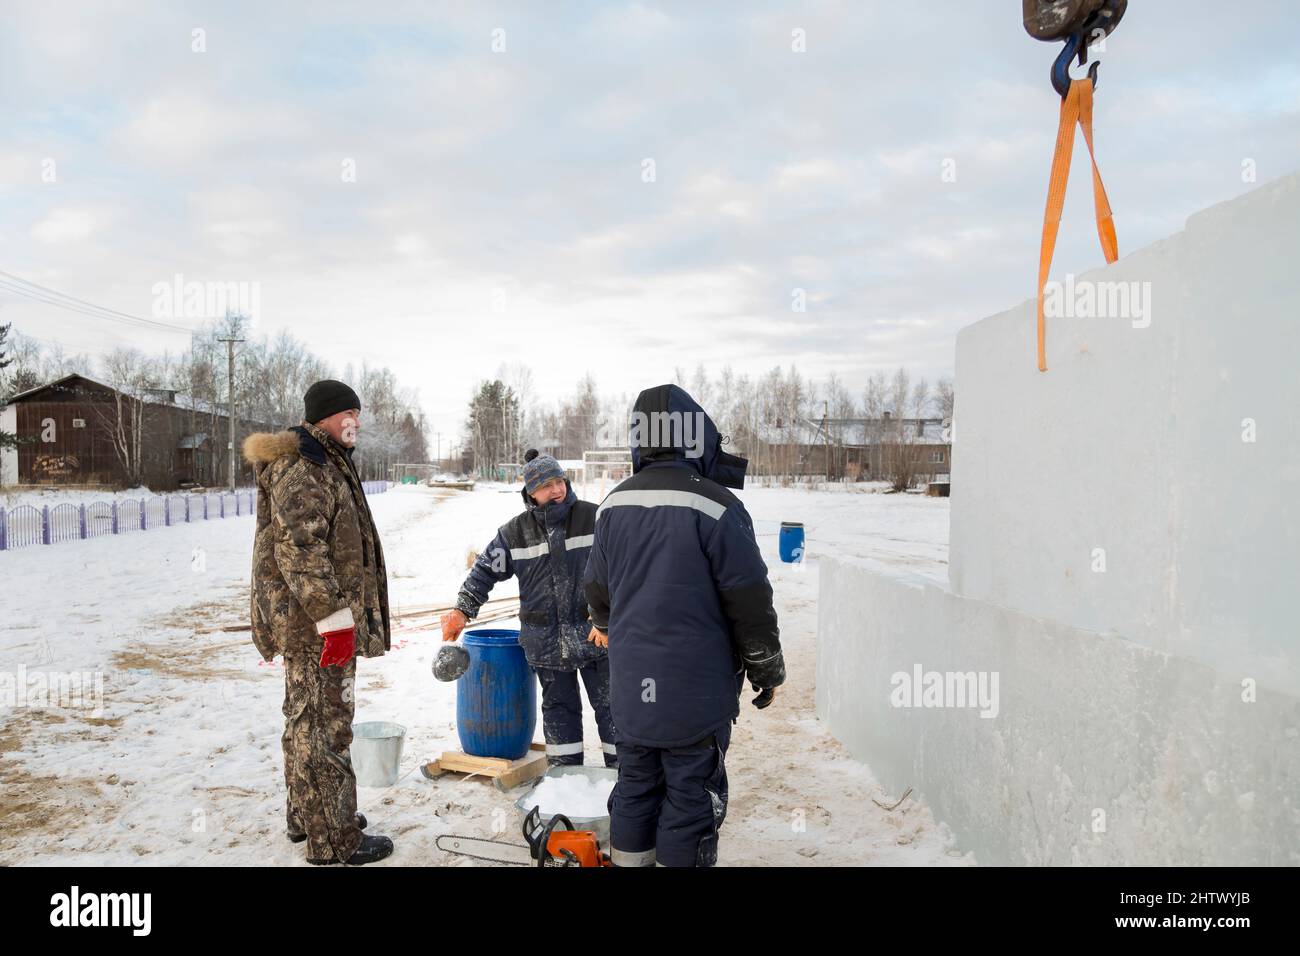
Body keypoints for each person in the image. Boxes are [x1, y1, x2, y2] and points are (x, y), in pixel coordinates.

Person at [583, 384, 785, 867]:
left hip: (634, 689)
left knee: (635, 787)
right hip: (695, 694)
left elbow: (597, 589)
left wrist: (609, 624)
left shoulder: (613, 504)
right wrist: (766, 667)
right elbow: (749, 599)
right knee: (690, 798)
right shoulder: (717, 505)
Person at [243, 379, 394, 866]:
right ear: (323, 418)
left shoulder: (326, 458)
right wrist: (334, 619)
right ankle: (333, 838)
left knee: (305, 719)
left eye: (358, 412)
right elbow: (300, 550)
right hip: (316, 624)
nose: (356, 420)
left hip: (314, 622)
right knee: (326, 726)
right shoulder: (305, 465)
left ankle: (309, 814)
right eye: (346, 412)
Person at [441, 449, 617, 767]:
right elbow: (484, 572)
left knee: (613, 708)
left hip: (596, 636)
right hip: (546, 644)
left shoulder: (595, 518)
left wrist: (615, 617)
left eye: (559, 480)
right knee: (559, 714)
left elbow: (625, 567)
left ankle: (627, 777)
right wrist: (462, 610)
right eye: (547, 484)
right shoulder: (514, 533)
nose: (557, 489)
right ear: (531, 492)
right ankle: (566, 780)